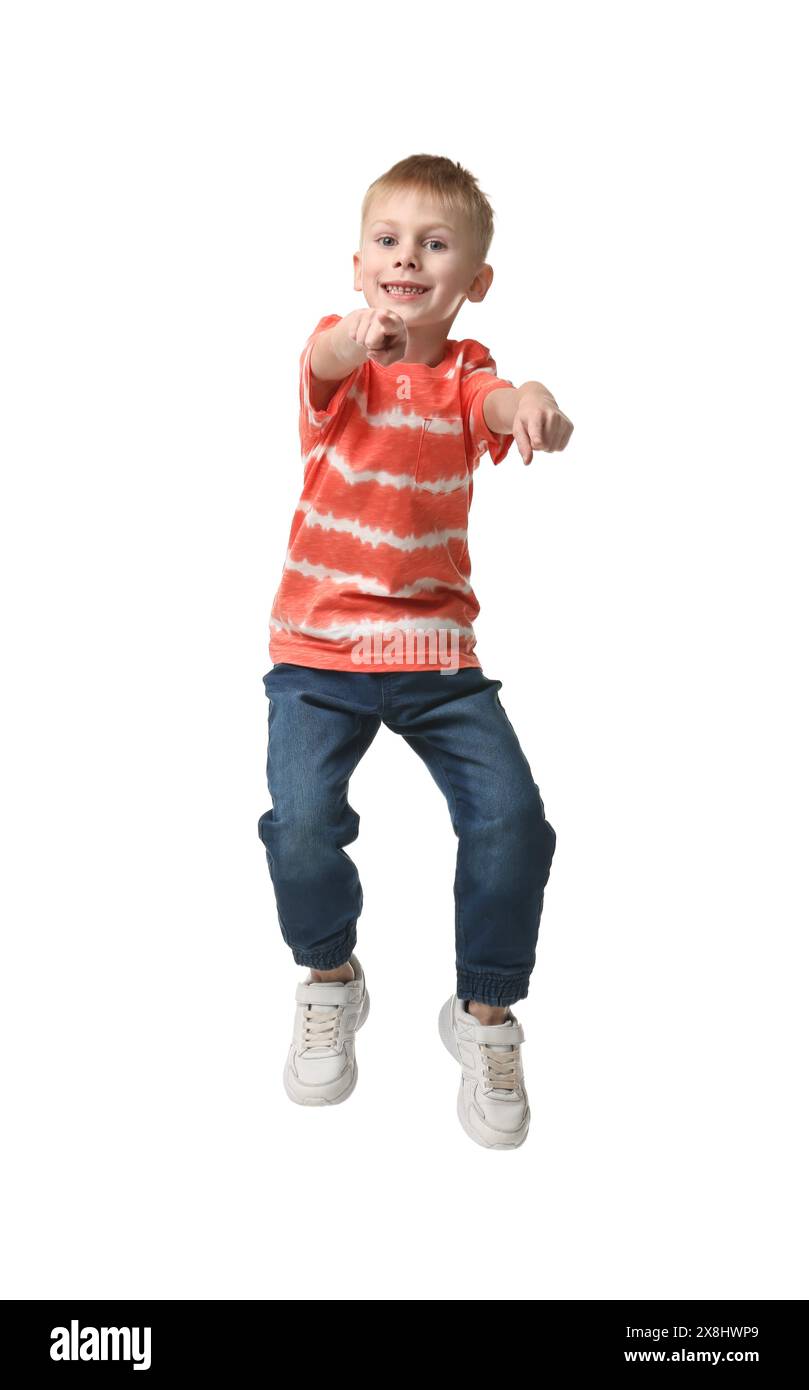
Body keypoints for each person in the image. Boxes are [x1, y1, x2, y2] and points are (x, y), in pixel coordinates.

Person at [258, 154, 573, 1149]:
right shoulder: (336, 352)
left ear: (472, 279)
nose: (407, 260)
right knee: (301, 827)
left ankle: (482, 1013)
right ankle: (330, 978)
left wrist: (529, 402)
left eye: (434, 246)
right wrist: (352, 347)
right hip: (318, 652)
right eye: (388, 243)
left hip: (436, 657)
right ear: (357, 264)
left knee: (512, 821)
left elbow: (495, 398)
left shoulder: (463, 371)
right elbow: (322, 368)